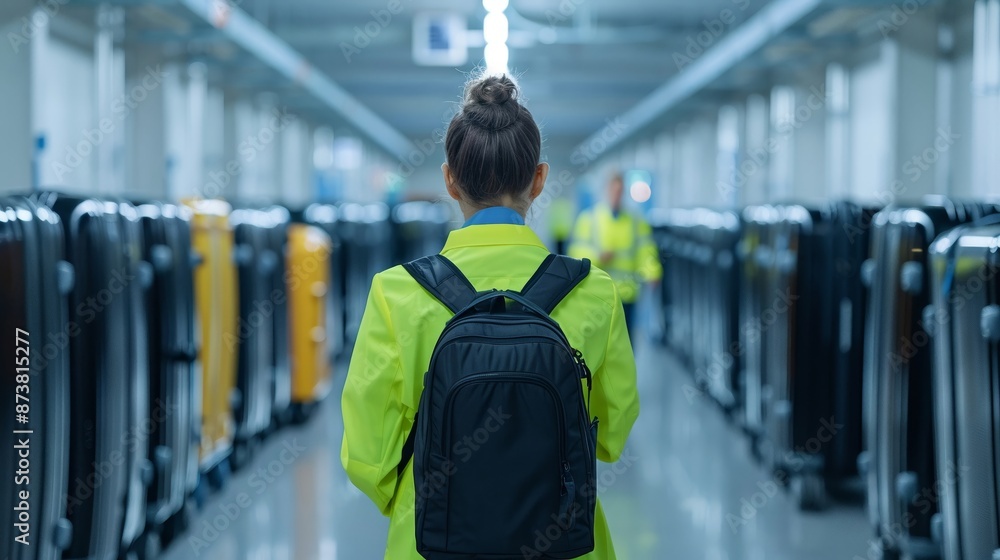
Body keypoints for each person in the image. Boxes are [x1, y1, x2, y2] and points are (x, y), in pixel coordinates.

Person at [341, 74, 640, 560]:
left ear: (449, 180)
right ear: (539, 180)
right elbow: (611, 433)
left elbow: (367, 455)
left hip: (431, 543)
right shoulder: (594, 291)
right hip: (564, 542)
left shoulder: (396, 293)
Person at [569, 173, 662, 335]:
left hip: (627, 292)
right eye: (613, 191)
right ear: (606, 190)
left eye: (620, 191)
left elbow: (645, 249)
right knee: (601, 341)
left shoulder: (635, 220)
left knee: (625, 339)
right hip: (599, 293)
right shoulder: (589, 219)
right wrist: (597, 256)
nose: (616, 195)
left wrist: (652, 272)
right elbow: (576, 252)